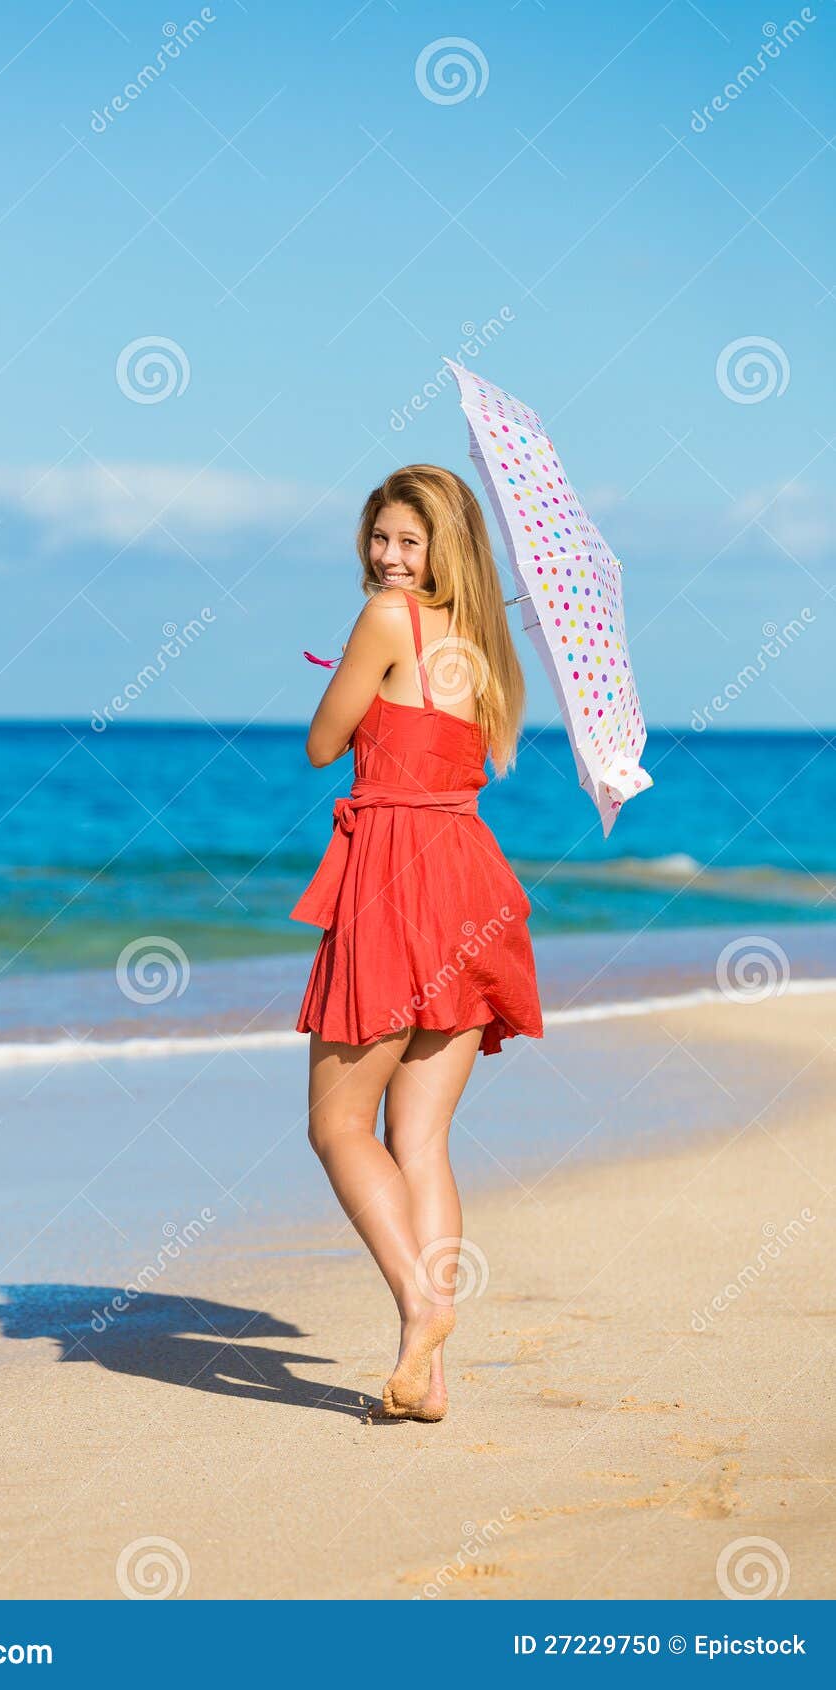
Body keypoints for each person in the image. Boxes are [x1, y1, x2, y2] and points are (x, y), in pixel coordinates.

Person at [292, 464, 543, 1423]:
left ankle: (420, 1302)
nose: (387, 558)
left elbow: (323, 745)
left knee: (338, 1127)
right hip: (469, 880)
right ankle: (425, 1375)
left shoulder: (387, 622)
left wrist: (342, 684)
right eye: (378, 539)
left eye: (407, 541)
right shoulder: (485, 647)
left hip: (392, 880)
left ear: (445, 549)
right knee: (423, 1139)